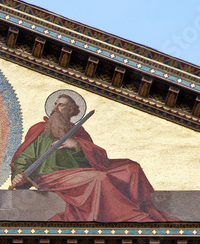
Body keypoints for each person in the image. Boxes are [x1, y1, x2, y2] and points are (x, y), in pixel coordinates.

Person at [10, 93, 174, 222]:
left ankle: (140, 209)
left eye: (61, 105)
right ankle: (129, 216)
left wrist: (77, 146)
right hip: (53, 177)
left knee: (132, 169)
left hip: (80, 173)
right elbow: (24, 157)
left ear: (71, 110)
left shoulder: (79, 132)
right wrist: (18, 175)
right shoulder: (40, 130)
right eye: (55, 104)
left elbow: (97, 160)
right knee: (98, 178)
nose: (55, 108)